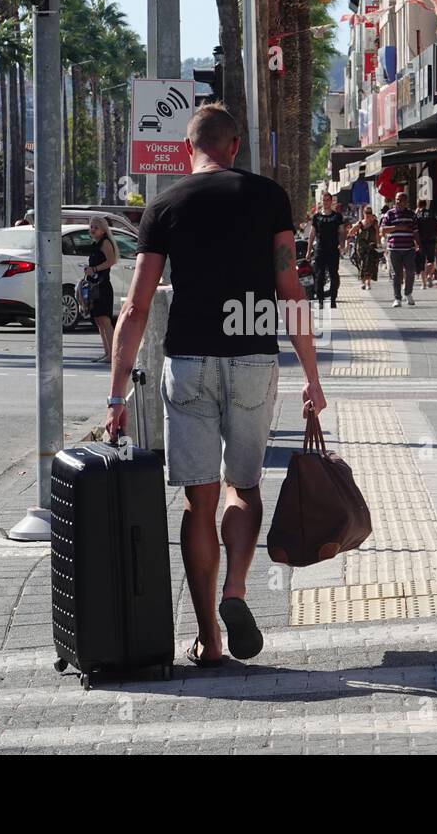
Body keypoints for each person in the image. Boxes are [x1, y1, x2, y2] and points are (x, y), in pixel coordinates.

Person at [105, 103, 326, 667]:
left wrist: (116, 396)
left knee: (197, 499)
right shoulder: (268, 197)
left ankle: (208, 638)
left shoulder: (164, 206)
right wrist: (312, 377)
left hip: (188, 362)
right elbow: (289, 289)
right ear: (234, 147)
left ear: (188, 149)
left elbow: (135, 306)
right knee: (243, 488)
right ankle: (236, 590)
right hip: (253, 356)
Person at [84, 216, 118, 363]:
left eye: (95, 227)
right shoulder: (96, 243)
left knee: (105, 320)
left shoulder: (105, 242)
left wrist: (95, 269)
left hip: (103, 286)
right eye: (91, 227)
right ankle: (107, 353)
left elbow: (111, 261)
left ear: (103, 229)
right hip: (94, 286)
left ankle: (112, 354)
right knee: (98, 320)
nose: (92, 229)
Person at [306, 193, 346, 309]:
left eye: (328, 200)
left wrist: (342, 245)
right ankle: (320, 300)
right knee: (319, 275)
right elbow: (312, 234)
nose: (326, 202)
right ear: (322, 201)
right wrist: (308, 251)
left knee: (334, 275)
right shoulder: (316, 217)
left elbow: (342, 231)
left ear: (331, 201)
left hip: (333, 250)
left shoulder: (337, 216)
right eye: (324, 200)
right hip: (320, 250)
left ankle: (333, 299)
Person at [381, 191, 419, 307]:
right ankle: (397, 298)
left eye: (401, 200)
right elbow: (382, 230)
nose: (398, 202)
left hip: (409, 248)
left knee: (410, 272)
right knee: (396, 275)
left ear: (406, 202)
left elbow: (416, 231)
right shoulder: (389, 214)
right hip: (394, 249)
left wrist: (419, 245)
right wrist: (397, 227)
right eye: (397, 199)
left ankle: (408, 293)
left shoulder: (411, 215)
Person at [347, 207, 381, 289]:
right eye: (366, 213)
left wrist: (379, 244)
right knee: (361, 264)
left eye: (369, 213)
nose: (368, 215)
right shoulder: (360, 223)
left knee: (370, 264)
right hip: (361, 247)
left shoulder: (374, 223)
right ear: (363, 214)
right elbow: (351, 232)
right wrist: (355, 228)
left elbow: (377, 234)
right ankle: (363, 281)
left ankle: (368, 282)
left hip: (371, 246)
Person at [415, 200, 437, 289]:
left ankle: (423, 284)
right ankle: (429, 276)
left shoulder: (417, 215)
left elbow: (414, 229)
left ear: (418, 205)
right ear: (426, 204)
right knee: (431, 260)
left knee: (421, 261)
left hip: (421, 241)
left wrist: (415, 242)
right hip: (432, 239)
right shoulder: (432, 214)